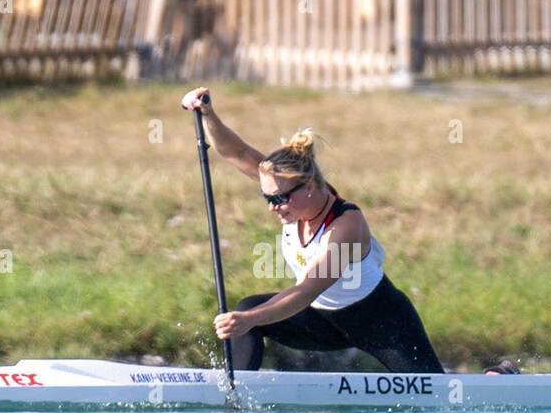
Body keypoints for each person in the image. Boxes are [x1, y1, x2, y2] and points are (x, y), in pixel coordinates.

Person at [180, 87, 443, 374]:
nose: (272, 207)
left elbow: (306, 290)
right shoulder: (287, 188)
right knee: (246, 309)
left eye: (279, 199)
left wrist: (251, 319)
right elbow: (237, 151)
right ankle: (235, 390)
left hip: (380, 322)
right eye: (267, 198)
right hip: (320, 321)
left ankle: (482, 378)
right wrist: (208, 115)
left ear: (307, 187)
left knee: (434, 392)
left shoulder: (347, 225)